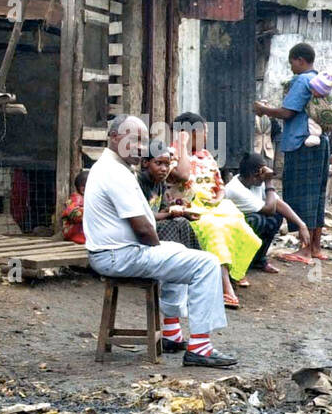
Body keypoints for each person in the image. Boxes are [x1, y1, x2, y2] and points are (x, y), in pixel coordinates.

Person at [84, 115, 236, 368]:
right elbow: (143, 228)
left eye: (144, 141)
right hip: (119, 255)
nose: (141, 147)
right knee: (207, 263)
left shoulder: (113, 167)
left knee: (178, 251)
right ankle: (200, 347)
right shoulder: (114, 172)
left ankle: (172, 333)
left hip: (115, 253)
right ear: (114, 138)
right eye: (134, 140)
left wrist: (162, 250)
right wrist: (157, 249)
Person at [168, 112, 261, 309]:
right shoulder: (169, 155)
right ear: (187, 134)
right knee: (215, 229)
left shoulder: (207, 156)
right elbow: (183, 175)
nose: (206, 138)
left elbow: (220, 185)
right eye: (203, 133)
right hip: (187, 208)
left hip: (213, 207)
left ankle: (235, 271)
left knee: (243, 230)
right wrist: (182, 145)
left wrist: (217, 198)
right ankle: (226, 287)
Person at [254, 42, 328, 264]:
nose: (292, 68)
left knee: (301, 194)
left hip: (301, 144)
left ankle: (304, 251)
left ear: (300, 60)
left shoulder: (302, 80)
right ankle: (315, 247)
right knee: (317, 194)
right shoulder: (320, 81)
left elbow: (287, 112)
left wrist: (263, 110)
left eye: (292, 63)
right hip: (320, 143)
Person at [226, 153, 312, 274]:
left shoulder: (254, 182)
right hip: (231, 231)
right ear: (254, 175)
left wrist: (301, 225)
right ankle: (239, 263)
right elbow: (269, 209)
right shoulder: (235, 189)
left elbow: (279, 204)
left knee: (276, 217)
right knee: (258, 220)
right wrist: (268, 182)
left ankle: (258, 260)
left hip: (246, 223)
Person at [138, 149, 201, 249]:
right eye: (158, 163)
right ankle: (171, 262)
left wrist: (176, 209)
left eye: (167, 165)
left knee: (182, 222)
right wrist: (171, 214)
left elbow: (162, 209)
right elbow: (144, 217)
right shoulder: (138, 182)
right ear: (145, 163)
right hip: (141, 230)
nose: (164, 169)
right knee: (170, 225)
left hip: (154, 224)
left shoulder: (160, 182)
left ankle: (190, 260)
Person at [61, 170, 89, 244]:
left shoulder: (87, 199)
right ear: (83, 190)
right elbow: (75, 214)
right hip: (76, 239)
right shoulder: (76, 200)